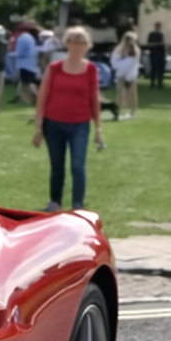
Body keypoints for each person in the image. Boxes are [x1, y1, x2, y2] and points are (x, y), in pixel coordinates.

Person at [30, 27, 106, 212]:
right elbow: (43, 96)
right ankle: (55, 202)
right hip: (53, 122)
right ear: (67, 44)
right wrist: (39, 126)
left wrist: (98, 128)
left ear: (87, 46)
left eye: (81, 42)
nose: (77, 46)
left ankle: (78, 205)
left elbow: (94, 99)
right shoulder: (54, 68)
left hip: (79, 123)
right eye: (73, 41)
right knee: (57, 165)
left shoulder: (90, 70)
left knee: (78, 166)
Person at [111, 32, 142, 120]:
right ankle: (118, 113)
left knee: (132, 96)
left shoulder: (136, 51)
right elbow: (115, 63)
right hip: (121, 76)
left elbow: (134, 64)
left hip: (131, 76)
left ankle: (132, 113)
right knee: (120, 96)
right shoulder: (118, 50)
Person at [13, 22, 41, 105]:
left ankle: (39, 97)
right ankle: (34, 100)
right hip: (32, 65)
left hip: (24, 65)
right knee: (29, 82)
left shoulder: (23, 37)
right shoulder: (32, 38)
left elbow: (21, 52)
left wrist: (13, 55)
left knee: (28, 83)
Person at [146, 23, 167, 89]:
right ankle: (152, 84)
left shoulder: (161, 34)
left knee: (160, 69)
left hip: (161, 54)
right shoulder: (152, 34)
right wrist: (158, 44)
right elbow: (149, 44)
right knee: (154, 69)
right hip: (154, 53)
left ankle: (160, 84)